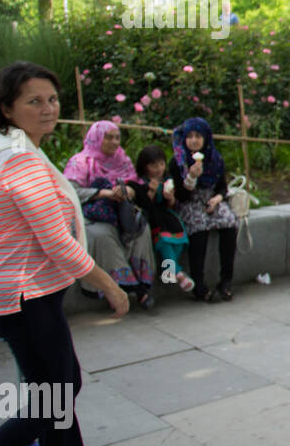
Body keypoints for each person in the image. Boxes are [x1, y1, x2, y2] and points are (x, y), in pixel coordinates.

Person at [0, 62, 126, 446]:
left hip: (9, 293)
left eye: (52, 99)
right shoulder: (16, 158)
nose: (47, 108)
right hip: (23, 296)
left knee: (48, 391)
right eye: (33, 101)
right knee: (57, 393)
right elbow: (54, 239)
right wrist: (109, 285)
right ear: (7, 107)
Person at [62, 120, 156, 309]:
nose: (114, 142)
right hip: (91, 216)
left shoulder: (123, 160)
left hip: (120, 213)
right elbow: (68, 191)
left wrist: (129, 191)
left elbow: (136, 185)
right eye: (108, 137)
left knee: (141, 230)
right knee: (102, 236)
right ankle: (131, 289)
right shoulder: (80, 162)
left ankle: (140, 282)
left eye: (117, 138)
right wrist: (103, 193)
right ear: (96, 138)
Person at [168, 117, 238, 303]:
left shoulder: (214, 158)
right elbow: (181, 196)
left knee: (230, 224)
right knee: (199, 228)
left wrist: (218, 198)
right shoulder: (178, 161)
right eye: (189, 136)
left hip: (210, 199)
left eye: (198, 136)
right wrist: (191, 177)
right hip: (189, 201)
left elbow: (222, 187)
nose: (193, 140)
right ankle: (199, 285)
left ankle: (226, 281)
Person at [130, 145, 194, 293]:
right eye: (154, 165)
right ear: (145, 167)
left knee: (180, 241)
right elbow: (144, 204)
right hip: (153, 218)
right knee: (164, 241)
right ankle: (178, 274)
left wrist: (170, 198)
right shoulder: (141, 182)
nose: (159, 169)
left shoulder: (167, 179)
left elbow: (171, 204)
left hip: (168, 216)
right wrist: (151, 191)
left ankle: (167, 273)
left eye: (161, 164)